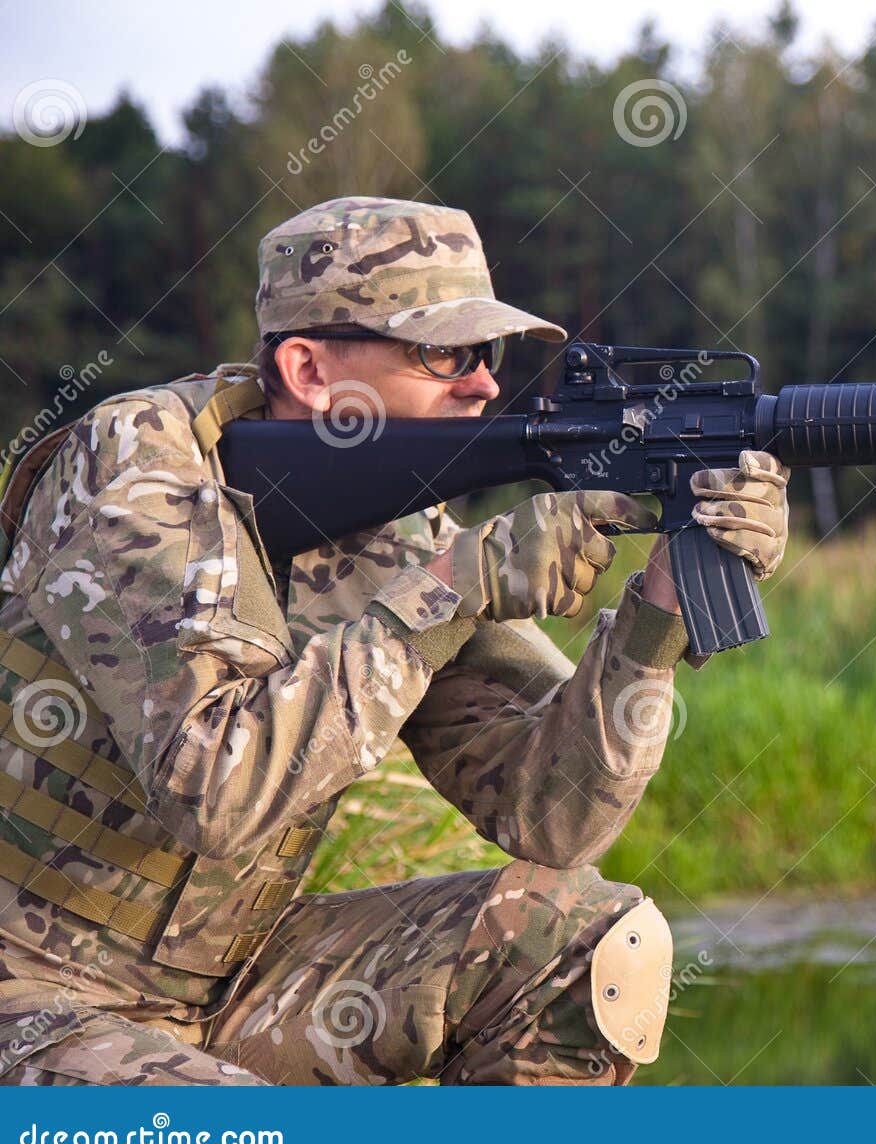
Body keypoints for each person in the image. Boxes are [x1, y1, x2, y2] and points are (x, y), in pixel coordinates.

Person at [0, 196, 790, 1085]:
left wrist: (661, 608)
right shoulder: (136, 467)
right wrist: (450, 592)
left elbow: (552, 817)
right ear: (306, 368)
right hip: (33, 996)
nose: (485, 384)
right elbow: (213, 790)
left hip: (230, 981)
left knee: (588, 946)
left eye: (485, 355)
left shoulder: (398, 529)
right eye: (443, 352)